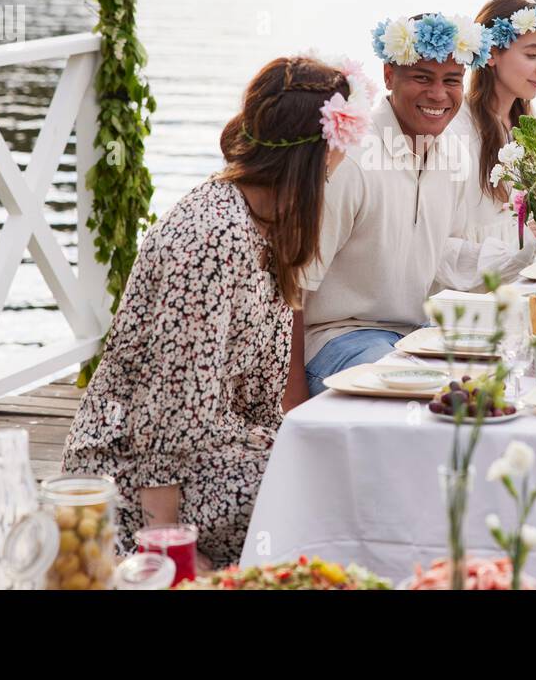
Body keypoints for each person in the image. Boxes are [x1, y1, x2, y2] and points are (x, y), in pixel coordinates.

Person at [62, 56, 372, 568]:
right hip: (137, 473)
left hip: (218, 449)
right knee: (330, 505)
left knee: (351, 468)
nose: (345, 159)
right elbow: (167, 398)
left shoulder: (271, 223)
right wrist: (166, 545)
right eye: (340, 146)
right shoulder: (212, 238)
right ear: (313, 156)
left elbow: (258, 396)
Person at [299, 12, 536, 396]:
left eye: (451, 80)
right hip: (338, 338)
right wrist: (291, 396)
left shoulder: (451, 157)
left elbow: (445, 254)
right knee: (433, 397)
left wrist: (526, 246)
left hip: (416, 336)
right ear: (389, 76)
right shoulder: (352, 160)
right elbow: (294, 286)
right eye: (422, 78)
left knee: (515, 377)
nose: (439, 94)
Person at [446, 0, 536, 250]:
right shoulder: (457, 129)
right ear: (491, 55)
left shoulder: (527, 122)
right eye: (532, 55)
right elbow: (449, 240)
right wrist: (521, 241)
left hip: (522, 275)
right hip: (477, 280)